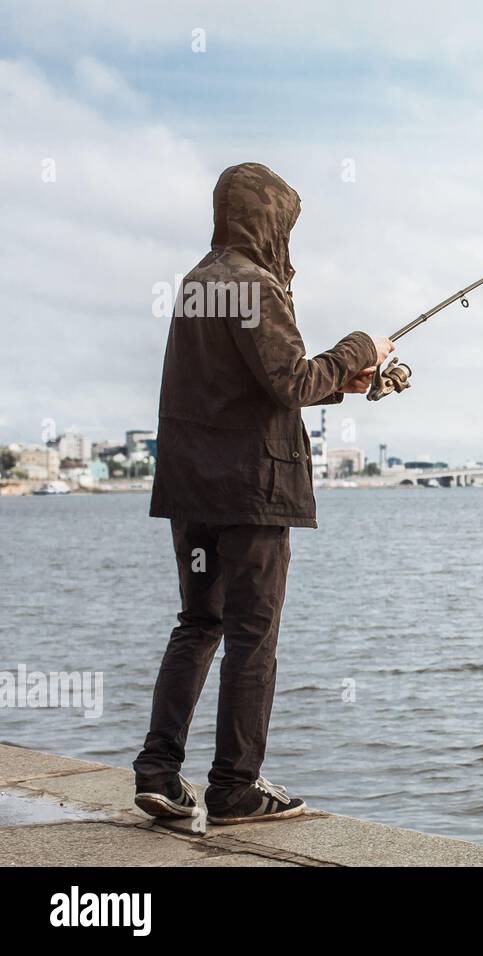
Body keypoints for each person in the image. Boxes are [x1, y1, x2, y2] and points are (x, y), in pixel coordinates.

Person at [132, 162, 393, 825]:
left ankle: (159, 771)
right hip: (253, 489)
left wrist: (341, 381)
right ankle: (234, 788)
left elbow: (250, 379)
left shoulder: (197, 285)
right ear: (267, 219)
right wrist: (360, 346)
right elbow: (290, 383)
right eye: (285, 224)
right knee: (253, 637)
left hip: (192, 490)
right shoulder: (256, 285)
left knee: (198, 623)